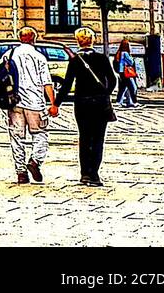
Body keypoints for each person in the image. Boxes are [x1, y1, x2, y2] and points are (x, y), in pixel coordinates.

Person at [54, 27, 117, 186]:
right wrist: (105, 93)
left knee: (84, 137)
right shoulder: (102, 58)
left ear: (78, 41)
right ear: (92, 40)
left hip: (82, 103)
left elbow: (67, 84)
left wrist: (56, 103)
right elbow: (113, 79)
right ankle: (94, 174)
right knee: (98, 139)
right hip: (99, 103)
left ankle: (85, 174)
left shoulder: (75, 60)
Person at [8, 27, 56, 183]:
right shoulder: (39, 57)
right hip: (35, 102)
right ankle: (35, 160)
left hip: (14, 102)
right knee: (40, 134)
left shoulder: (9, 55)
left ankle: (21, 172)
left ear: (19, 38)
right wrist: (53, 103)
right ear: (34, 39)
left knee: (16, 137)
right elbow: (47, 82)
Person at [114, 38, 139, 108]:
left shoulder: (119, 53)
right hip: (127, 73)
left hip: (121, 72)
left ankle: (118, 102)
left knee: (123, 87)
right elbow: (131, 62)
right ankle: (134, 102)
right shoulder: (125, 53)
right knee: (133, 87)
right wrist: (131, 57)